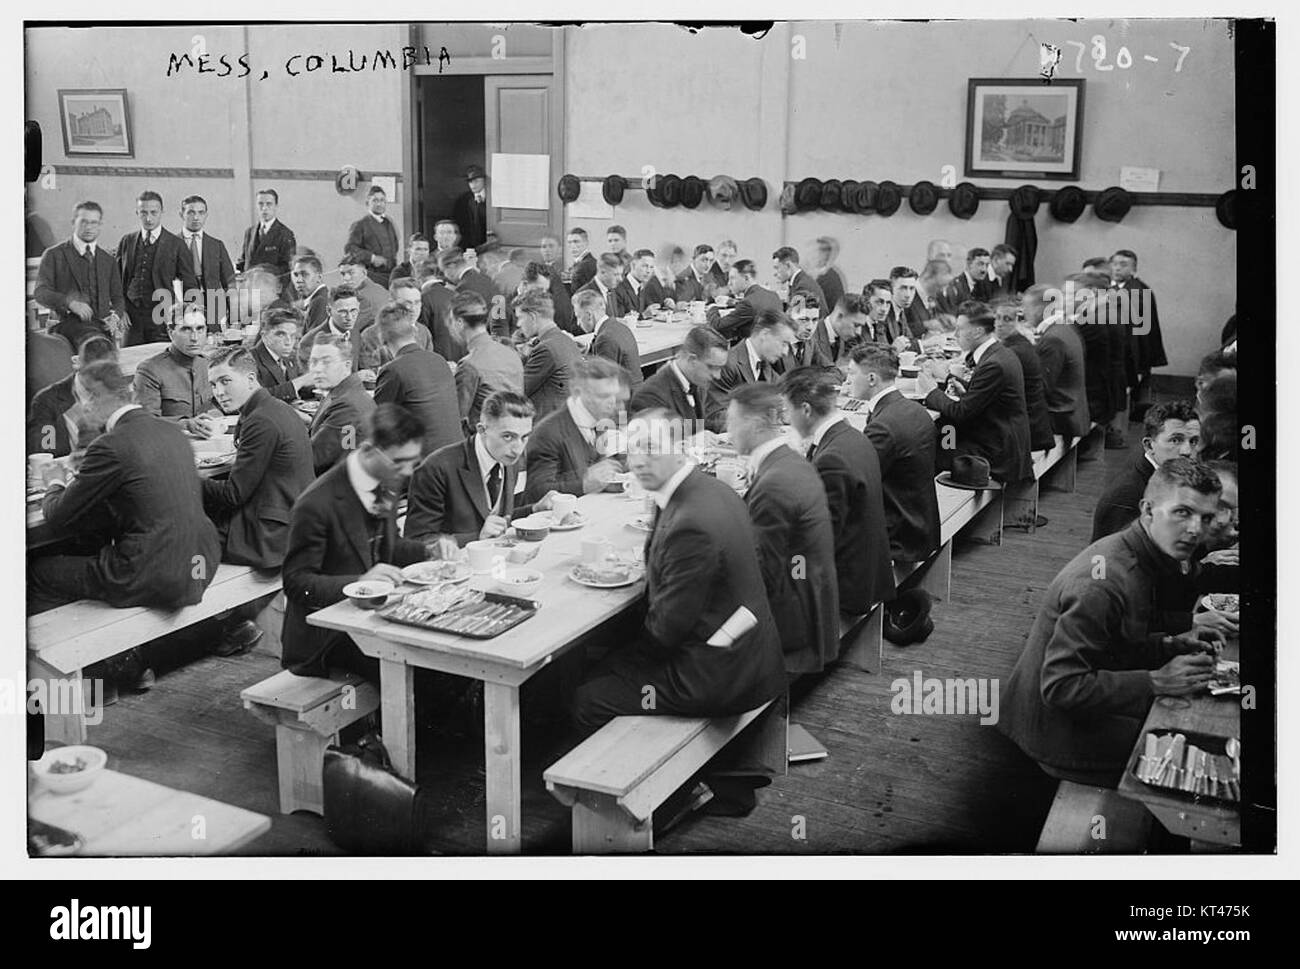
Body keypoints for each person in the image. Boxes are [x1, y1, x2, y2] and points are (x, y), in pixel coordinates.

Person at [999, 458, 1225, 787]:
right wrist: (1156, 680)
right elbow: (1061, 687)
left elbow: (1115, 639)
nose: (1195, 530)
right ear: (1147, 511)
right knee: (1187, 755)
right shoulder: (1101, 584)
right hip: (1053, 731)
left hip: (1057, 714)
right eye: (1182, 512)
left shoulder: (1136, 555)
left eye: (1205, 518)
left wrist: (1168, 644)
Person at [571, 409, 787, 731]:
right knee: (601, 661)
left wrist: (617, 661)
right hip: (745, 655)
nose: (640, 461)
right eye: (633, 449)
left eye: (651, 449)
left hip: (715, 679)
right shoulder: (712, 490)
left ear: (679, 449)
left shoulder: (691, 525)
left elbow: (665, 632)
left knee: (588, 696)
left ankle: (638, 777)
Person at [29, 360, 221, 615]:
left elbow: (57, 516)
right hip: (201, 562)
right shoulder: (171, 431)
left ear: (92, 400)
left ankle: (87, 649)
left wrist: (53, 480)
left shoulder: (110, 445)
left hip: (153, 571)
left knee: (38, 571)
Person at [281, 404, 450, 680]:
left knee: (440, 661)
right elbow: (296, 583)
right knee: (426, 673)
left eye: (413, 462)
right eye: (400, 462)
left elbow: (388, 547)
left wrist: (429, 550)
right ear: (370, 451)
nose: (408, 472)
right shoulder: (316, 503)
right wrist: (360, 583)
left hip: (366, 620)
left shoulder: (386, 478)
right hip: (325, 639)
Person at [202, 345, 315, 650]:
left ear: (251, 379)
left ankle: (221, 623)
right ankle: (232, 623)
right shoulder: (274, 408)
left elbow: (235, 494)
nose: (219, 392)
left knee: (187, 536)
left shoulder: (261, 420)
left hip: (273, 534)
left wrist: (189, 477)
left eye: (226, 381)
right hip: (290, 518)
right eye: (213, 385)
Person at [728, 383, 840, 676]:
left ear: (752, 425)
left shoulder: (774, 483)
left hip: (793, 622)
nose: (728, 433)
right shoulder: (789, 461)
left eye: (731, 423)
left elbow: (761, 574)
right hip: (809, 598)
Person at [782, 366, 895, 615]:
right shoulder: (853, 436)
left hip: (848, 583)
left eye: (788, 411)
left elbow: (817, 541)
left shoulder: (832, 459)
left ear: (805, 410)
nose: (788, 419)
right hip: (867, 567)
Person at [405, 390, 556, 546]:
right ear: (482, 430)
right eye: (508, 436)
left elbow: (499, 519)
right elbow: (416, 542)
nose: (518, 449)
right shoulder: (436, 468)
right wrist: (476, 537)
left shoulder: (508, 458)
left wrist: (534, 509)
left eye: (524, 437)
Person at [916, 299, 1033, 484]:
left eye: (960, 329)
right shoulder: (998, 353)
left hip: (997, 451)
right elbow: (984, 396)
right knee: (945, 432)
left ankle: (937, 505)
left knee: (931, 448)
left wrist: (931, 391)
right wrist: (960, 387)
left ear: (978, 331)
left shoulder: (993, 364)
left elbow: (960, 412)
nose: (955, 334)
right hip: (1000, 440)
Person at [853, 345, 942, 564]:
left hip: (899, 536)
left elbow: (856, 482)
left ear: (872, 378)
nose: (848, 380)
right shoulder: (915, 410)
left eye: (852, 373)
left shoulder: (883, 426)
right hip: (922, 523)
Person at [523, 355, 627, 503]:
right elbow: (537, 492)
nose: (612, 403)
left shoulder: (599, 419)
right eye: (603, 396)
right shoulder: (547, 433)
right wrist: (584, 483)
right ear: (578, 393)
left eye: (613, 395)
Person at [1092, 400, 1200, 541]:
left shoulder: (1171, 475)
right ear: (1149, 445)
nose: (1187, 451)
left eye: (1193, 441)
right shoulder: (1127, 494)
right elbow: (1119, 554)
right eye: (1175, 440)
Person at [372, 302, 461, 457]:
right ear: (414, 331)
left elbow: (376, 423)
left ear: (382, 338)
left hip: (424, 464)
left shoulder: (393, 370)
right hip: (457, 454)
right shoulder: (439, 360)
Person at [34, 201, 126, 348]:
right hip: (66, 329)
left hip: (101, 331)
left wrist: (115, 317)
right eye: (83, 222)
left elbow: (118, 298)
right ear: (73, 222)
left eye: (94, 223)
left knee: (102, 350)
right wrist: (70, 302)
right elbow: (40, 292)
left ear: (100, 225)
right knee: (97, 348)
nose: (89, 228)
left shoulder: (108, 260)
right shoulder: (54, 255)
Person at [116, 190, 198, 345]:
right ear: (137, 213)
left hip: (162, 318)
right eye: (143, 212)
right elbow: (117, 280)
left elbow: (190, 284)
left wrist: (182, 315)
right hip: (132, 318)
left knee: (162, 362)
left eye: (153, 212)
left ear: (161, 212)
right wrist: (121, 309)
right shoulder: (127, 241)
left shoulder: (176, 244)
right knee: (128, 360)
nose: (148, 218)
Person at [132, 303, 220, 436]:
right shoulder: (151, 370)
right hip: (169, 446)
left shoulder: (210, 365)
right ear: (170, 333)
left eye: (200, 329)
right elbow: (144, 422)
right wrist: (185, 424)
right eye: (186, 329)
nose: (194, 338)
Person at [27, 334, 119, 458]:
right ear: (77, 364)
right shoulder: (46, 402)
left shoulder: (117, 394)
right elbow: (44, 451)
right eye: (94, 374)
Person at [706, 308, 796, 431]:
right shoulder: (728, 364)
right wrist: (763, 423)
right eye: (783, 343)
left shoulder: (766, 365)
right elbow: (714, 416)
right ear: (765, 334)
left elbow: (781, 397)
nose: (786, 352)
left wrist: (785, 413)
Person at [630, 324, 727, 430]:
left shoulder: (698, 382)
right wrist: (693, 441)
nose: (718, 376)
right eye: (712, 367)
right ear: (692, 360)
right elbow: (652, 443)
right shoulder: (650, 395)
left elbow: (711, 419)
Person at [991, 296, 1054, 456]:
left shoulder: (1014, 351)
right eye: (997, 318)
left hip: (1029, 432)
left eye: (1007, 319)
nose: (999, 324)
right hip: (1033, 423)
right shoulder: (1018, 343)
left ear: (1018, 322)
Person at [1110, 249, 1167, 423]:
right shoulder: (1105, 287)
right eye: (1115, 263)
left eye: (1123, 265)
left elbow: (1141, 331)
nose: (1117, 268)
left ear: (1133, 269)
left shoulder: (1139, 291)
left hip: (1134, 347)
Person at [306, 332, 376, 475]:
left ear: (347, 365)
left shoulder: (347, 406)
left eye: (326, 362)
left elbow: (314, 458)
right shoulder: (344, 392)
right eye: (313, 362)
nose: (318, 369)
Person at [1028, 283, 1090, 440]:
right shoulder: (1065, 327)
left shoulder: (1052, 339)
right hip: (1073, 411)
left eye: (1026, 307)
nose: (1024, 313)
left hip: (1061, 417)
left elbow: (1040, 387)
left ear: (1039, 309)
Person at [516, 291, 581, 418]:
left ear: (533, 317)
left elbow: (518, 391)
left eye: (520, 317)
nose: (518, 324)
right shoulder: (565, 340)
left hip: (547, 426)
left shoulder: (545, 349)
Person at [179, 195, 237, 327]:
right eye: (191, 212)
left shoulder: (216, 245)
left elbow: (229, 281)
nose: (196, 217)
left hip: (214, 308)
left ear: (206, 215)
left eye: (201, 212)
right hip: (184, 309)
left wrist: (233, 315)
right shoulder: (171, 244)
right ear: (181, 214)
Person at [354, 276, 435, 370]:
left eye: (417, 302)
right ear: (391, 303)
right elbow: (370, 376)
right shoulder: (370, 336)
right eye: (407, 303)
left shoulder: (424, 332)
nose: (413, 309)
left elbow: (430, 366)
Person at [575, 287, 643, 389]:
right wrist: (588, 349)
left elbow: (603, 381)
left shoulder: (605, 338)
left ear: (589, 315)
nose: (578, 323)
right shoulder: (617, 326)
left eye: (578, 316)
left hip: (624, 399)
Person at [238, 188, 296, 298]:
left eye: (269, 204)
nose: (264, 208)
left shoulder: (285, 234)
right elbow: (244, 261)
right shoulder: (249, 232)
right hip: (250, 291)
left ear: (276, 206)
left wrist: (263, 273)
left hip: (270, 292)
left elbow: (287, 269)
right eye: (260, 204)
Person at [706, 259, 783, 342]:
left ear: (746, 278)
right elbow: (755, 305)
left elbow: (718, 325)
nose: (729, 283)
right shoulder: (774, 295)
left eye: (732, 278)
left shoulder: (748, 303)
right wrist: (732, 301)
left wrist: (712, 307)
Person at [252, 307, 312, 402]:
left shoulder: (289, 357)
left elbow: (300, 390)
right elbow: (257, 399)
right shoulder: (250, 360)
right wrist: (301, 381)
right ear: (264, 336)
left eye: (293, 336)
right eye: (281, 335)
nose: (288, 342)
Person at [298, 286, 360, 369]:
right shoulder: (309, 342)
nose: (349, 317)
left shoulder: (354, 332)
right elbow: (311, 378)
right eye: (342, 311)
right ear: (329, 311)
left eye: (353, 311)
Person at [803, 293, 867, 373]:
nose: (858, 332)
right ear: (839, 316)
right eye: (856, 325)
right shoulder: (809, 336)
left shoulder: (844, 337)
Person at [337, 252, 388, 338]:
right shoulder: (379, 288)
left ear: (364, 273)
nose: (346, 278)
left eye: (351, 273)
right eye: (343, 274)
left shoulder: (362, 299)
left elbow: (343, 332)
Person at [576, 252, 636, 320]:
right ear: (602, 272)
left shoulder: (612, 290)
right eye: (616, 274)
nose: (620, 279)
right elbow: (575, 327)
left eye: (621, 274)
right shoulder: (584, 294)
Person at [773, 246, 827, 320]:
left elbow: (793, 320)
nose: (775, 273)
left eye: (777, 268)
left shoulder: (803, 286)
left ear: (788, 265)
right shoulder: (799, 281)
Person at [864, 278, 915, 352]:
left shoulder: (879, 325)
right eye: (879, 302)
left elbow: (882, 354)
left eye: (888, 303)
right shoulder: (856, 329)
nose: (884, 309)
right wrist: (894, 350)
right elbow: (866, 361)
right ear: (866, 301)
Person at [887, 266, 930, 340]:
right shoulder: (884, 313)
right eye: (903, 288)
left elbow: (909, 340)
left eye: (912, 289)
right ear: (891, 288)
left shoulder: (900, 311)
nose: (908, 295)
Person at [291, 253, 331, 332]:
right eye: (296, 275)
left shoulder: (320, 301)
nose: (298, 280)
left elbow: (314, 340)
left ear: (319, 277)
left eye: (304, 274)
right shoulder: (316, 299)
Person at [453, 164, 490, 249]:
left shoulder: (492, 198)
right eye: (470, 182)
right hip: (469, 244)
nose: (473, 185)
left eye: (476, 181)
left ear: (484, 181)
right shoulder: (463, 200)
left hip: (487, 244)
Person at [813, 237, 846, 317]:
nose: (817, 253)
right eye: (818, 250)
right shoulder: (816, 273)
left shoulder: (830, 276)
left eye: (823, 250)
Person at [623, 248, 655, 316]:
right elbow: (617, 320)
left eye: (651, 267)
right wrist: (644, 315)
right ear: (633, 265)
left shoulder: (641, 287)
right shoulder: (619, 288)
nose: (648, 271)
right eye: (644, 266)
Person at [565, 227, 597, 293]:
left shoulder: (587, 265)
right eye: (569, 242)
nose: (573, 245)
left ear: (586, 243)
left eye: (576, 242)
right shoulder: (579, 263)